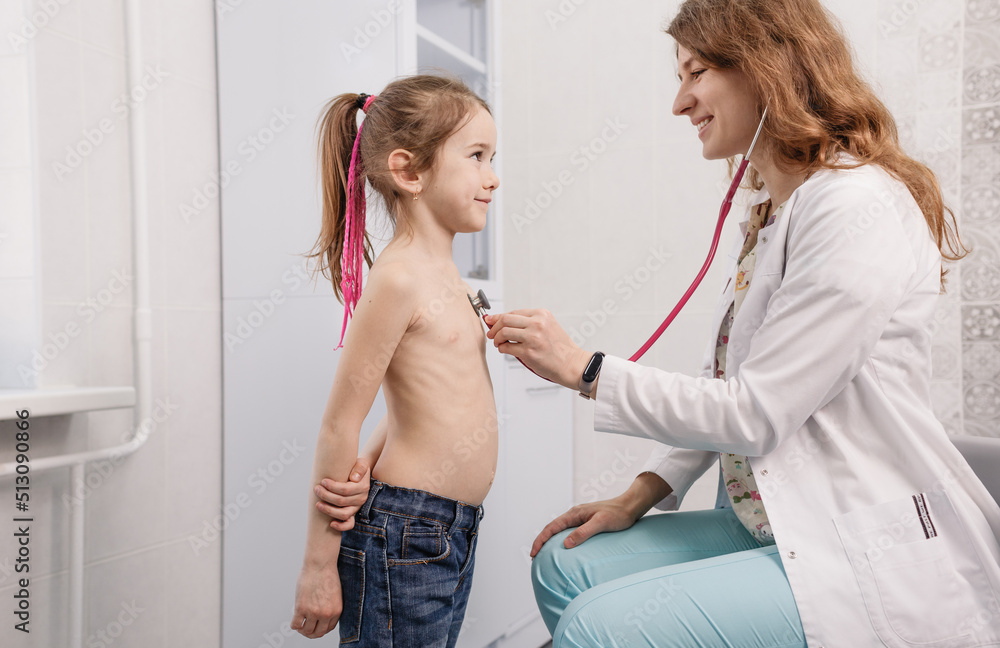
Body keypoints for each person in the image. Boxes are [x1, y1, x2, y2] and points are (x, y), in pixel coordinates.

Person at [476, 0, 1000, 646]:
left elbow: (752, 413)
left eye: (695, 73)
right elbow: (717, 385)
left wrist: (586, 371)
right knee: (563, 565)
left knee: (593, 628)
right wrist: (640, 493)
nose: (680, 102)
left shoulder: (853, 207)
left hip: (854, 541)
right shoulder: (777, 214)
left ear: (764, 65)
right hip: (770, 519)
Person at [291, 74, 500, 647]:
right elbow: (339, 421)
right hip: (403, 533)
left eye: (492, 157)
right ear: (410, 172)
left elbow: (413, 400)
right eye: (477, 156)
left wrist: (372, 456)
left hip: (445, 530)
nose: (493, 176)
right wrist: (318, 568)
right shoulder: (400, 279)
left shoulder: (449, 275)